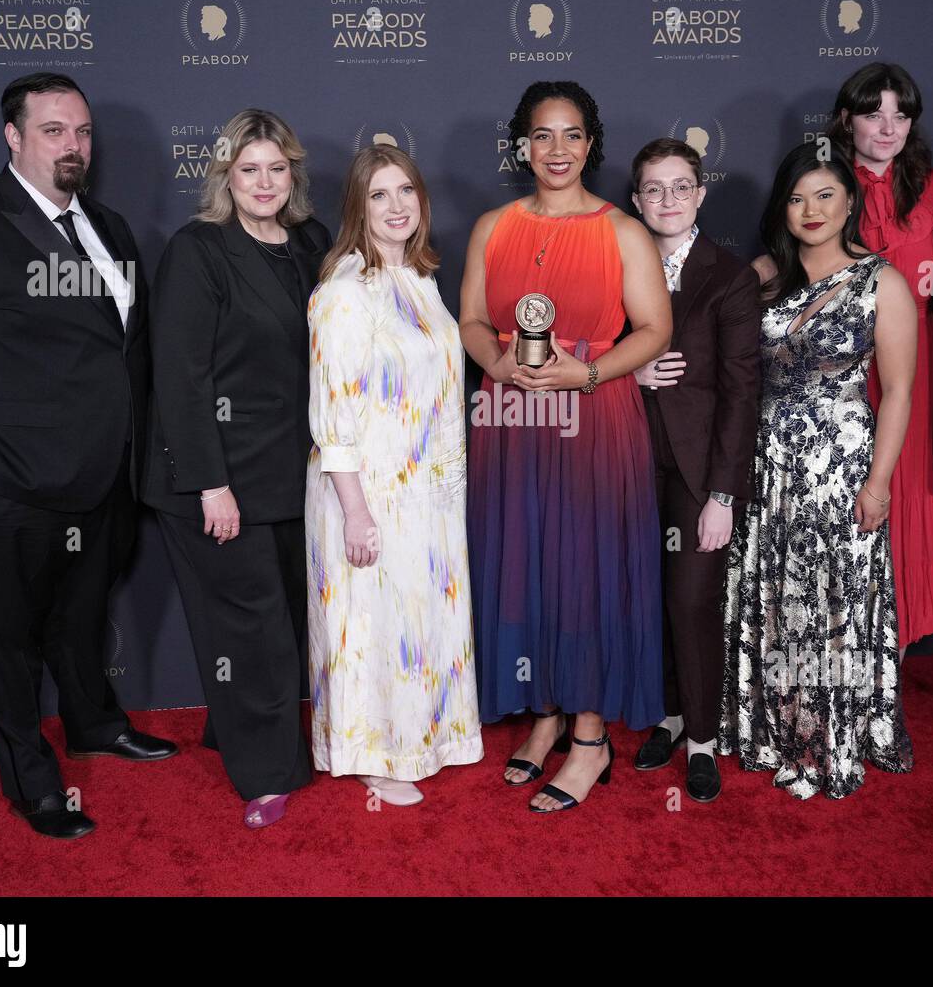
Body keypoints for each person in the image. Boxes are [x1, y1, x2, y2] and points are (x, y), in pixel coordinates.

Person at [0, 72, 175, 841]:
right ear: (13, 137)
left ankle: (92, 724)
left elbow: (126, 352)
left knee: (82, 617)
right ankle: (33, 780)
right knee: (11, 642)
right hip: (9, 486)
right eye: (53, 130)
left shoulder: (110, 228)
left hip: (101, 478)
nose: (73, 145)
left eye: (82, 131)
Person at [461, 81, 671, 813]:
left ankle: (589, 735)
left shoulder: (622, 232)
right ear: (523, 143)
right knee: (526, 565)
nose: (557, 150)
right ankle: (543, 710)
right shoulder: (493, 226)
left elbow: (653, 330)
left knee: (585, 570)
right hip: (512, 422)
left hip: (594, 417)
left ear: (590, 143)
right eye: (543, 135)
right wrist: (498, 365)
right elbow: (471, 324)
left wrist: (584, 372)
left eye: (572, 134)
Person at [145, 109, 328, 829]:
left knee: (280, 620)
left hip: (291, 476)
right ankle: (268, 774)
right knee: (252, 634)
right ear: (225, 175)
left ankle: (242, 728)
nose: (264, 182)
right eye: (248, 169)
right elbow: (180, 376)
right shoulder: (199, 250)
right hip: (218, 480)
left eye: (276, 168)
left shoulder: (310, 242)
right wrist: (210, 484)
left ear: (293, 174)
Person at [718, 141, 916, 800]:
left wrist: (879, 482)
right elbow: (727, 370)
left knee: (834, 602)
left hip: (842, 468)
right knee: (776, 595)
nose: (811, 209)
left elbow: (901, 392)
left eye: (825, 195)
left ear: (851, 202)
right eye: (798, 197)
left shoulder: (882, 282)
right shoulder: (762, 276)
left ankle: (827, 736)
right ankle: (777, 729)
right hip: (768, 464)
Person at [307, 145, 483, 807]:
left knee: (417, 621)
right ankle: (372, 755)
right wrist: (354, 510)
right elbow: (334, 415)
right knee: (371, 623)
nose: (396, 206)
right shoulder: (346, 294)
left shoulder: (422, 283)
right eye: (379, 195)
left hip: (429, 493)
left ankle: (422, 737)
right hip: (371, 491)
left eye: (405, 190)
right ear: (358, 208)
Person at [627, 138, 760, 803]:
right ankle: (669, 717)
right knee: (648, 598)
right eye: (654, 188)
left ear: (701, 194)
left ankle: (703, 739)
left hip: (697, 471)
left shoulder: (729, 276)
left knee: (691, 599)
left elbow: (742, 392)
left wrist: (722, 494)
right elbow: (589, 360)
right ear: (636, 200)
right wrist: (633, 375)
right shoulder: (617, 266)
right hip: (623, 463)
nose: (668, 200)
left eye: (681, 186)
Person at [828, 63, 933, 654]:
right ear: (846, 119)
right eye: (874, 113)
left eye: (900, 114)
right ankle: (841, 654)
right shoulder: (823, 182)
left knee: (903, 494)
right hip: (845, 369)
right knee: (848, 496)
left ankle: (891, 660)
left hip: (917, 370)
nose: (888, 128)